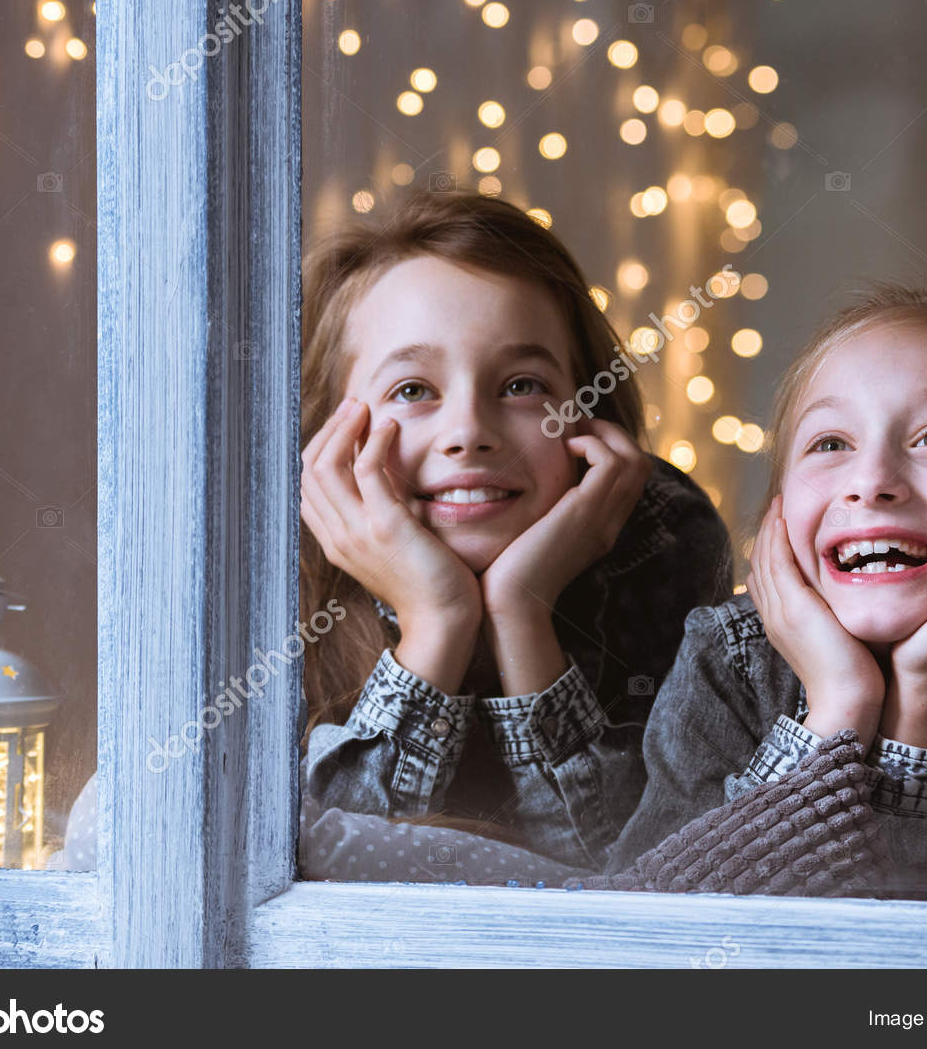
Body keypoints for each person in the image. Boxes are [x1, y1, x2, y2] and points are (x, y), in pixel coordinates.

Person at [599, 283, 927, 902]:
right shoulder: (727, 661)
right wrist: (838, 712)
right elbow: (657, 928)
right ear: (777, 526)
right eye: (830, 444)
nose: (871, 483)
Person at [298, 191, 733, 871]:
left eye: (522, 385)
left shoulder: (663, 539)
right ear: (333, 432)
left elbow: (633, 880)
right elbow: (316, 870)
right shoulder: (268, 562)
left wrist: (522, 612)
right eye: (413, 390)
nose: (468, 432)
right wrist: (436, 620)